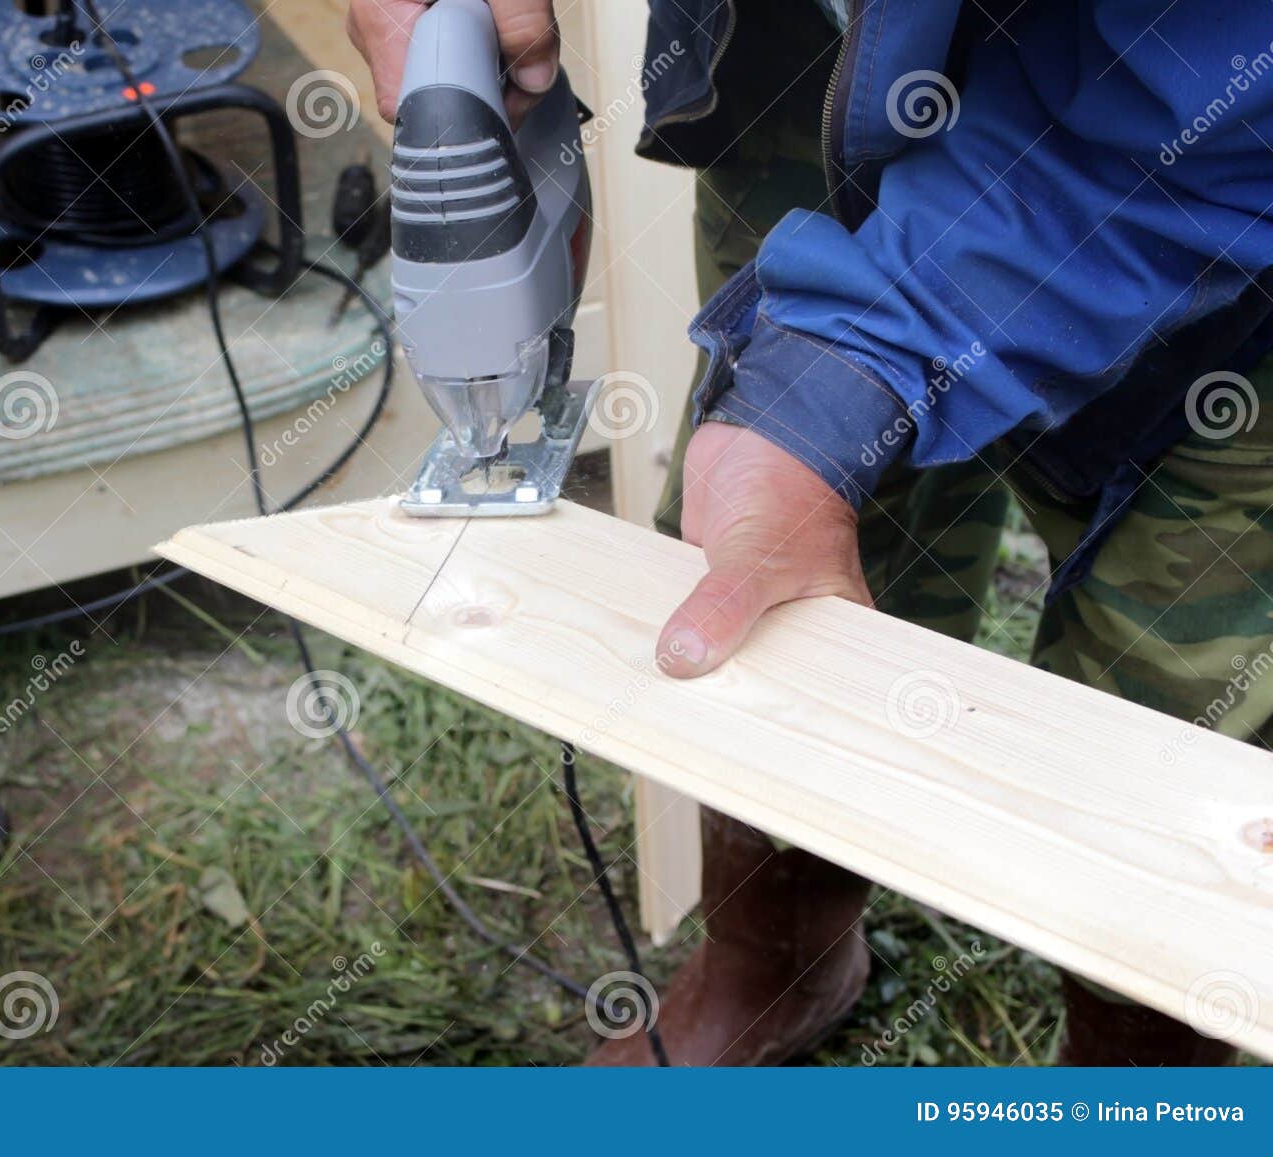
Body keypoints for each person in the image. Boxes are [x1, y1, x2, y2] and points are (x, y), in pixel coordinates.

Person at [347, 0, 1273, 1066]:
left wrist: (834, 387)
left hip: (1204, 143)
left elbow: (1217, 103)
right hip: (809, 51)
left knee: (1173, 676)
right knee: (765, 576)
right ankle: (774, 955)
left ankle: (1133, 1078)